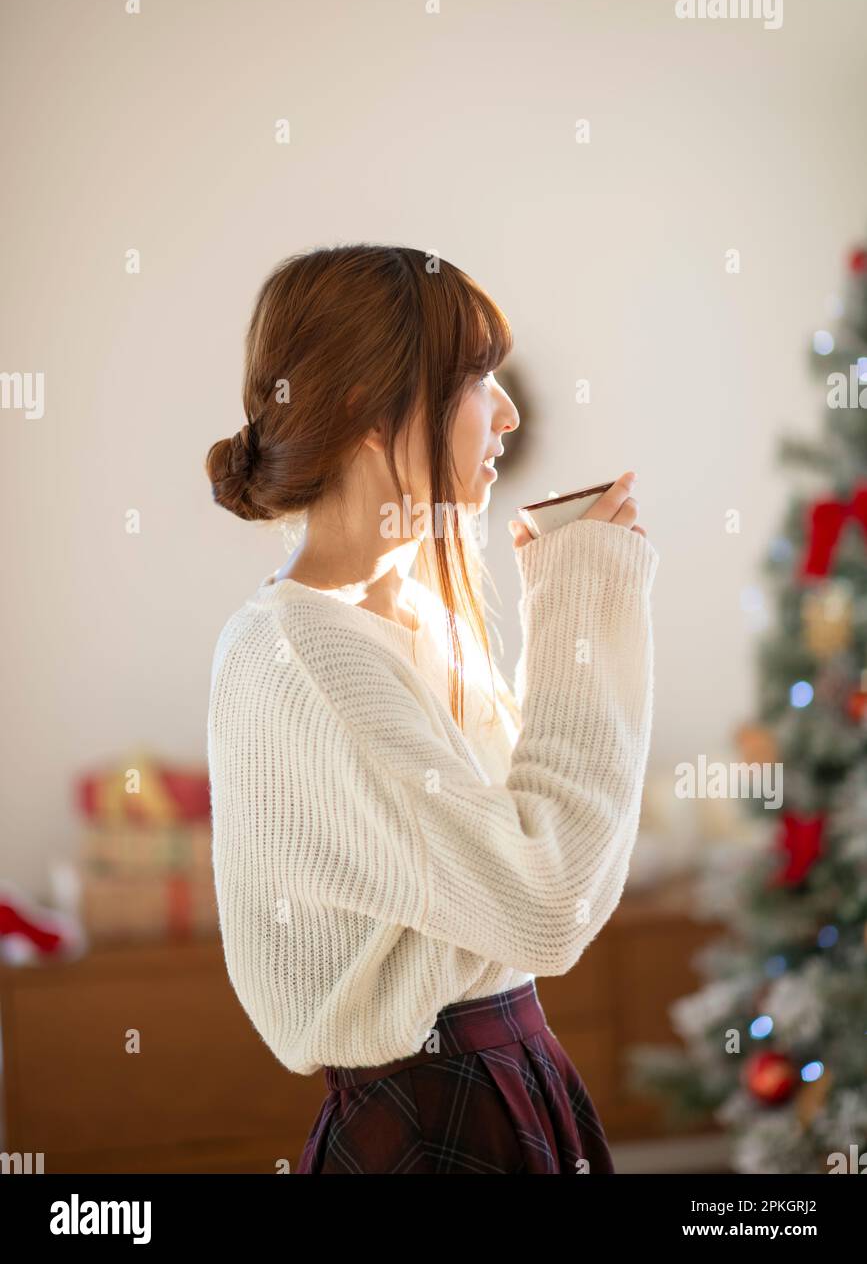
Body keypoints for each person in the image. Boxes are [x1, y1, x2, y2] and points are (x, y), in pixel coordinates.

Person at [205, 243, 659, 1174]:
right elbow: (546, 897)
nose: (508, 413)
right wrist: (585, 609)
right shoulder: (301, 656)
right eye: (477, 378)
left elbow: (517, 859)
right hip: (435, 1114)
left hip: (498, 1078)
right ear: (374, 413)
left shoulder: (402, 619)